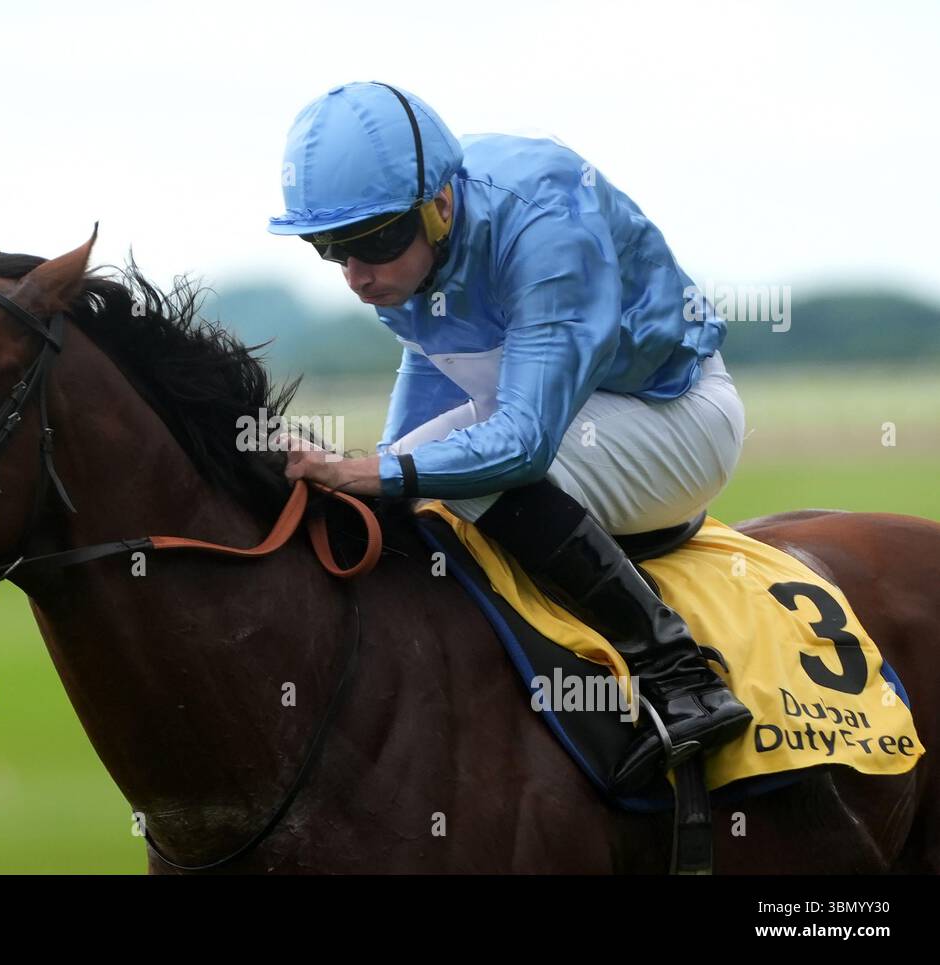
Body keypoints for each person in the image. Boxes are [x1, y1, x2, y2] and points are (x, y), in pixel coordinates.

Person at [267, 81, 752, 793]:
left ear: (438, 207)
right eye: (328, 248)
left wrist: (378, 470)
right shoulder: (406, 249)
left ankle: (681, 675)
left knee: (457, 474)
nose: (355, 274)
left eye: (372, 241)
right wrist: (382, 480)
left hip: (677, 415)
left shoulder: (545, 221)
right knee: (405, 488)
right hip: (567, 413)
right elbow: (435, 371)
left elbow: (522, 443)